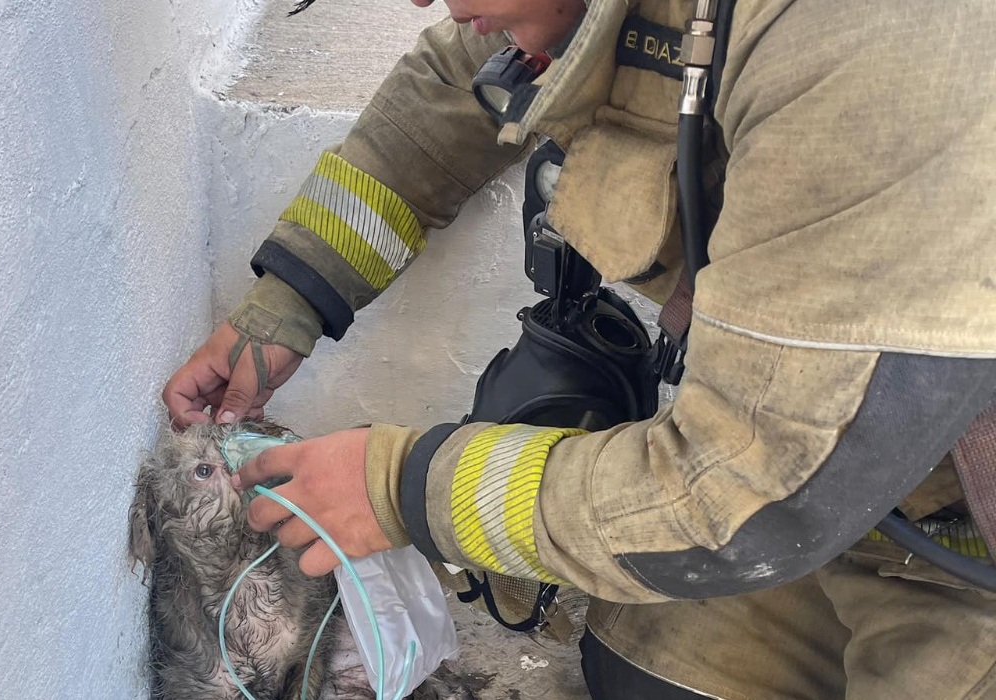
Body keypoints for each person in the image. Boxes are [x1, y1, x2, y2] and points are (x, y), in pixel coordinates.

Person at [163, 0, 996, 697]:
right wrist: (292, 300)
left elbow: (744, 494)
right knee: (636, 669)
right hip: (843, 513)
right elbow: (457, 90)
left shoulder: (867, 38)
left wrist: (402, 487)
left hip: (959, 553)